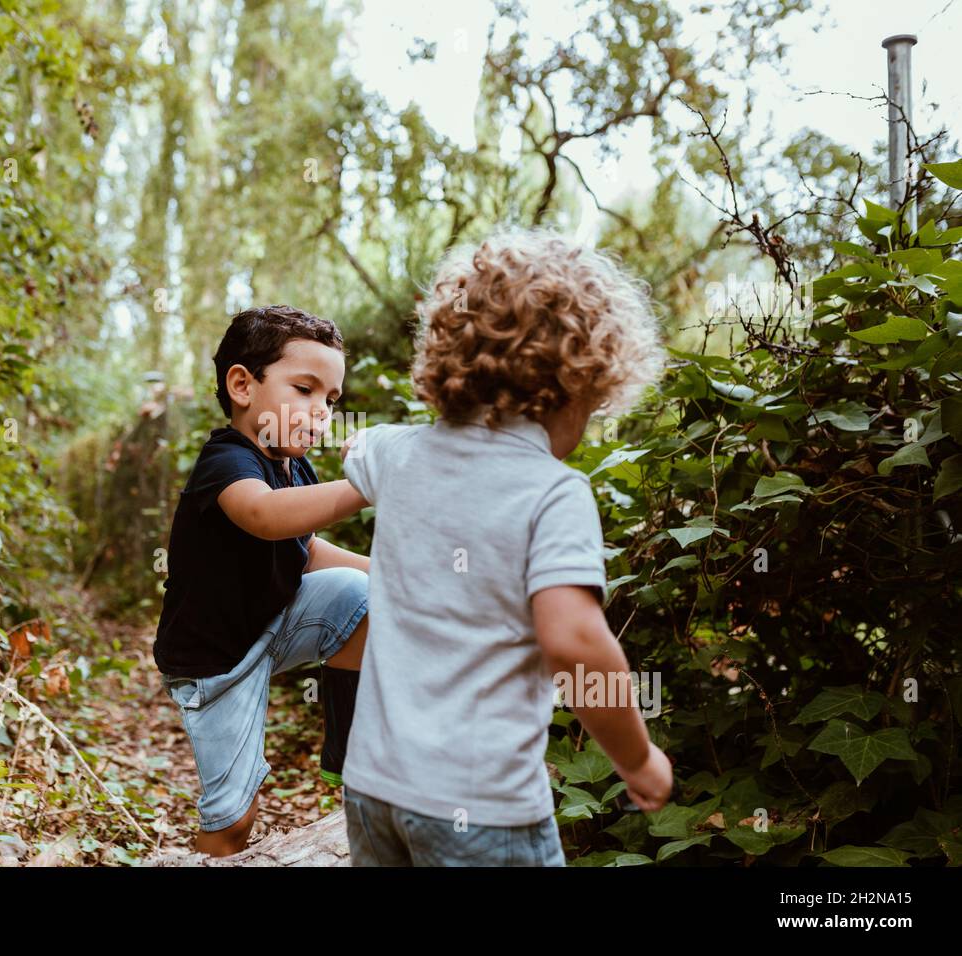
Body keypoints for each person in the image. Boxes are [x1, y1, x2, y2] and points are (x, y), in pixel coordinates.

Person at [339, 227, 673, 866]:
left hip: (373, 787)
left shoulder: (397, 453)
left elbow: (361, 448)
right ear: (578, 381)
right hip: (481, 807)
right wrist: (639, 760)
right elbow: (574, 641)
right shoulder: (553, 493)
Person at [153, 305, 370, 857]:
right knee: (233, 817)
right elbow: (266, 516)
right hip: (215, 660)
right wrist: (367, 486)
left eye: (331, 400)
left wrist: (395, 573)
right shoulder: (226, 460)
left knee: (365, 597)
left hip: (273, 622)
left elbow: (305, 548)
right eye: (304, 389)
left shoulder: (296, 468)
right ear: (243, 385)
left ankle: (356, 771)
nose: (320, 412)